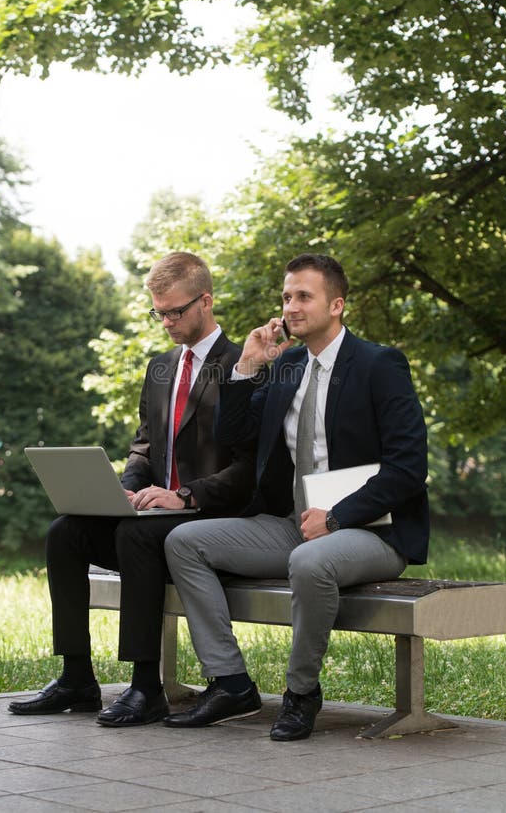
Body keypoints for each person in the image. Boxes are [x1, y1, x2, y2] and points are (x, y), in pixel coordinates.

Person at [163, 252, 429, 741]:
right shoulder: (286, 365)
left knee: (310, 563)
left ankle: (301, 693)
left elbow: (409, 469)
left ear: (337, 305)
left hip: (372, 529)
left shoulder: (379, 364)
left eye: (304, 296)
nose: (291, 307)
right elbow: (236, 433)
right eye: (287, 297)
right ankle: (230, 682)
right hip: (293, 522)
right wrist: (245, 367)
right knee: (184, 541)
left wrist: (336, 518)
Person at [8, 252, 256, 726]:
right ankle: (77, 677)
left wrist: (185, 495)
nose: (165, 321)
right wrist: (124, 490)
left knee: (135, 537)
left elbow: (249, 469)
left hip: (212, 518)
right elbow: (144, 448)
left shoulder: (243, 365)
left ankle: (147, 687)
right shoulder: (160, 367)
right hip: (157, 515)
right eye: (158, 312)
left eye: (175, 311)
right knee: (66, 531)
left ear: (206, 301)